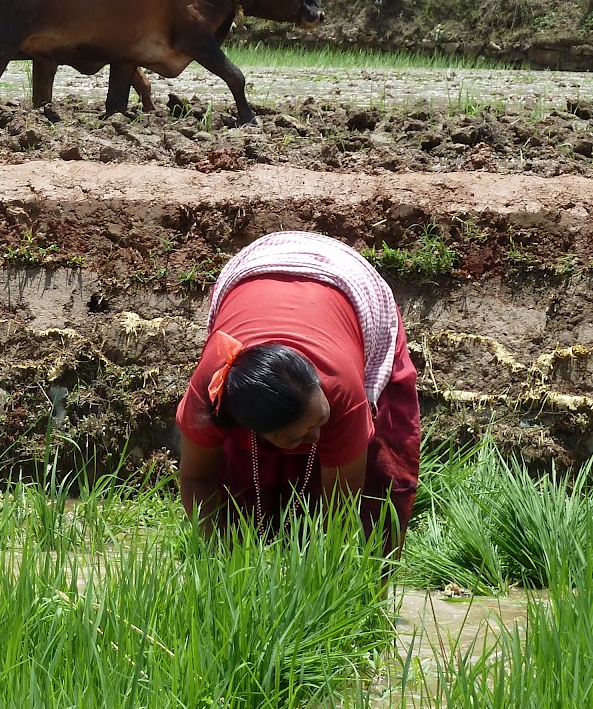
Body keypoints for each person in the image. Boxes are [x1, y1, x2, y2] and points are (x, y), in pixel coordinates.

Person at [175, 231, 421, 555]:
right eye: (301, 436)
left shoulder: (339, 388)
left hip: (350, 282)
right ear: (252, 430)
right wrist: (223, 557)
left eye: (319, 420)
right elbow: (197, 479)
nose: (318, 436)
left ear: (316, 384)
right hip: (254, 280)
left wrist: (321, 582)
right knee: (239, 494)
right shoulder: (210, 393)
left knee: (376, 486)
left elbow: (341, 513)